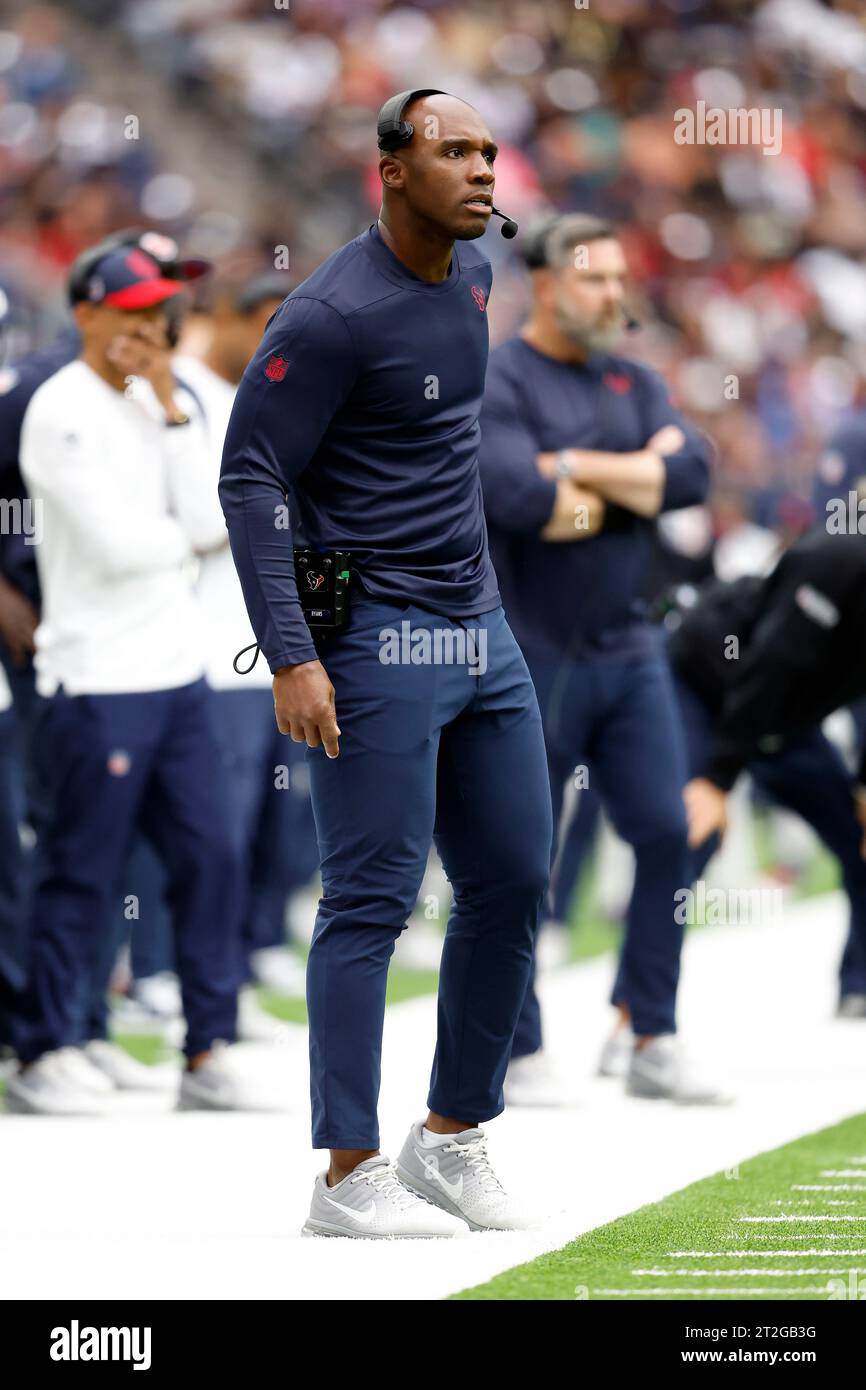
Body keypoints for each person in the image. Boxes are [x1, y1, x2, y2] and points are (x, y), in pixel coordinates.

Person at [220, 88, 552, 1237]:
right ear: (390, 169)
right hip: (369, 633)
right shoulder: (327, 317)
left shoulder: (473, 275)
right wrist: (292, 653)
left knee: (513, 876)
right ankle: (344, 1171)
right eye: (451, 150)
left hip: (479, 624)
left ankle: (450, 1137)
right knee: (369, 898)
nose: (478, 170)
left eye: (486, 152)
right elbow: (250, 479)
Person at [5, 246, 254, 1114]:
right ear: (87, 315)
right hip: (95, 677)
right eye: (131, 313)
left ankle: (209, 1045)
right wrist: (181, 535)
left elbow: (213, 520)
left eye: (159, 315)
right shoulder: (59, 409)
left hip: (178, 672)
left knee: (212, 856)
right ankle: (46, 1048)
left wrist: (168, 415)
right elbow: (120, 549)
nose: (147, 331)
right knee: (84, 867)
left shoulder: (167, 401)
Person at [479, 213, 721, 1105]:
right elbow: (526, 501)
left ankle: (648, 1030)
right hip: (532, 651)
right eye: (595, 280)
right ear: (545, 284)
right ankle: (521, 1039)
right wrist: (632, 480)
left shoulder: (635, 376)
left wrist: (579, 465)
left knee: (669, 832)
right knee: (520, 856)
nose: (614, 295)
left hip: (632, 645)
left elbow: (692, 474)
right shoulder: (502, 377)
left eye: (621, 279)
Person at [173, 272, 319, 1002]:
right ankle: (174, 969)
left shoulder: (268, 396)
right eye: (261, 324)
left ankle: (250, 951)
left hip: (279, 642)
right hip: (209, 645)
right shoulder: (182, 391)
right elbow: (209, 515)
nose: (272, 345)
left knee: (277, 817)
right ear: (226, 319)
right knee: (215, 828)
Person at [670, 522, 866, 1015]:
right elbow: (768, 668)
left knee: (859, 840)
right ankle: (642, 1020)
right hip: (705, 689)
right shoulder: (837, 558)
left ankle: (858, 985)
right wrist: (717, 780)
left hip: (783, 726)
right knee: (692, 837)